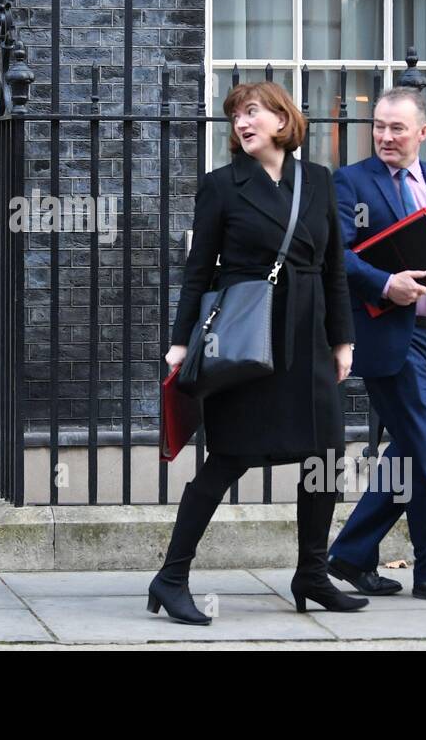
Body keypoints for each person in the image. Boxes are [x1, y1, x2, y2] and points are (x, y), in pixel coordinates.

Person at [149, 81, 367, 625]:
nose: (242, 123)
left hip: (309, 339)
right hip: (246, 339)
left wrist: (343, 340)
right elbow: (199, 269)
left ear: (281, 118)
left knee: (326, 455)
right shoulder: (221, 186)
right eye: (235, 117)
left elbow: (335, 266)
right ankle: (171, 577)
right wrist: (181, 343)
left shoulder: (317, 181)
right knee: (228, 459)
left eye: (251, 112)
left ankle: (312, 574)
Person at [326, 87, 426, 604]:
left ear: (422, 132)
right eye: (378, 126)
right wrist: (385, 282)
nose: (385, 136)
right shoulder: (350, 182)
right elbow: (338, 256)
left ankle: (352, 553)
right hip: (393, 336)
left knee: (419, 452)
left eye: (397, 128)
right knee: (425, 450)